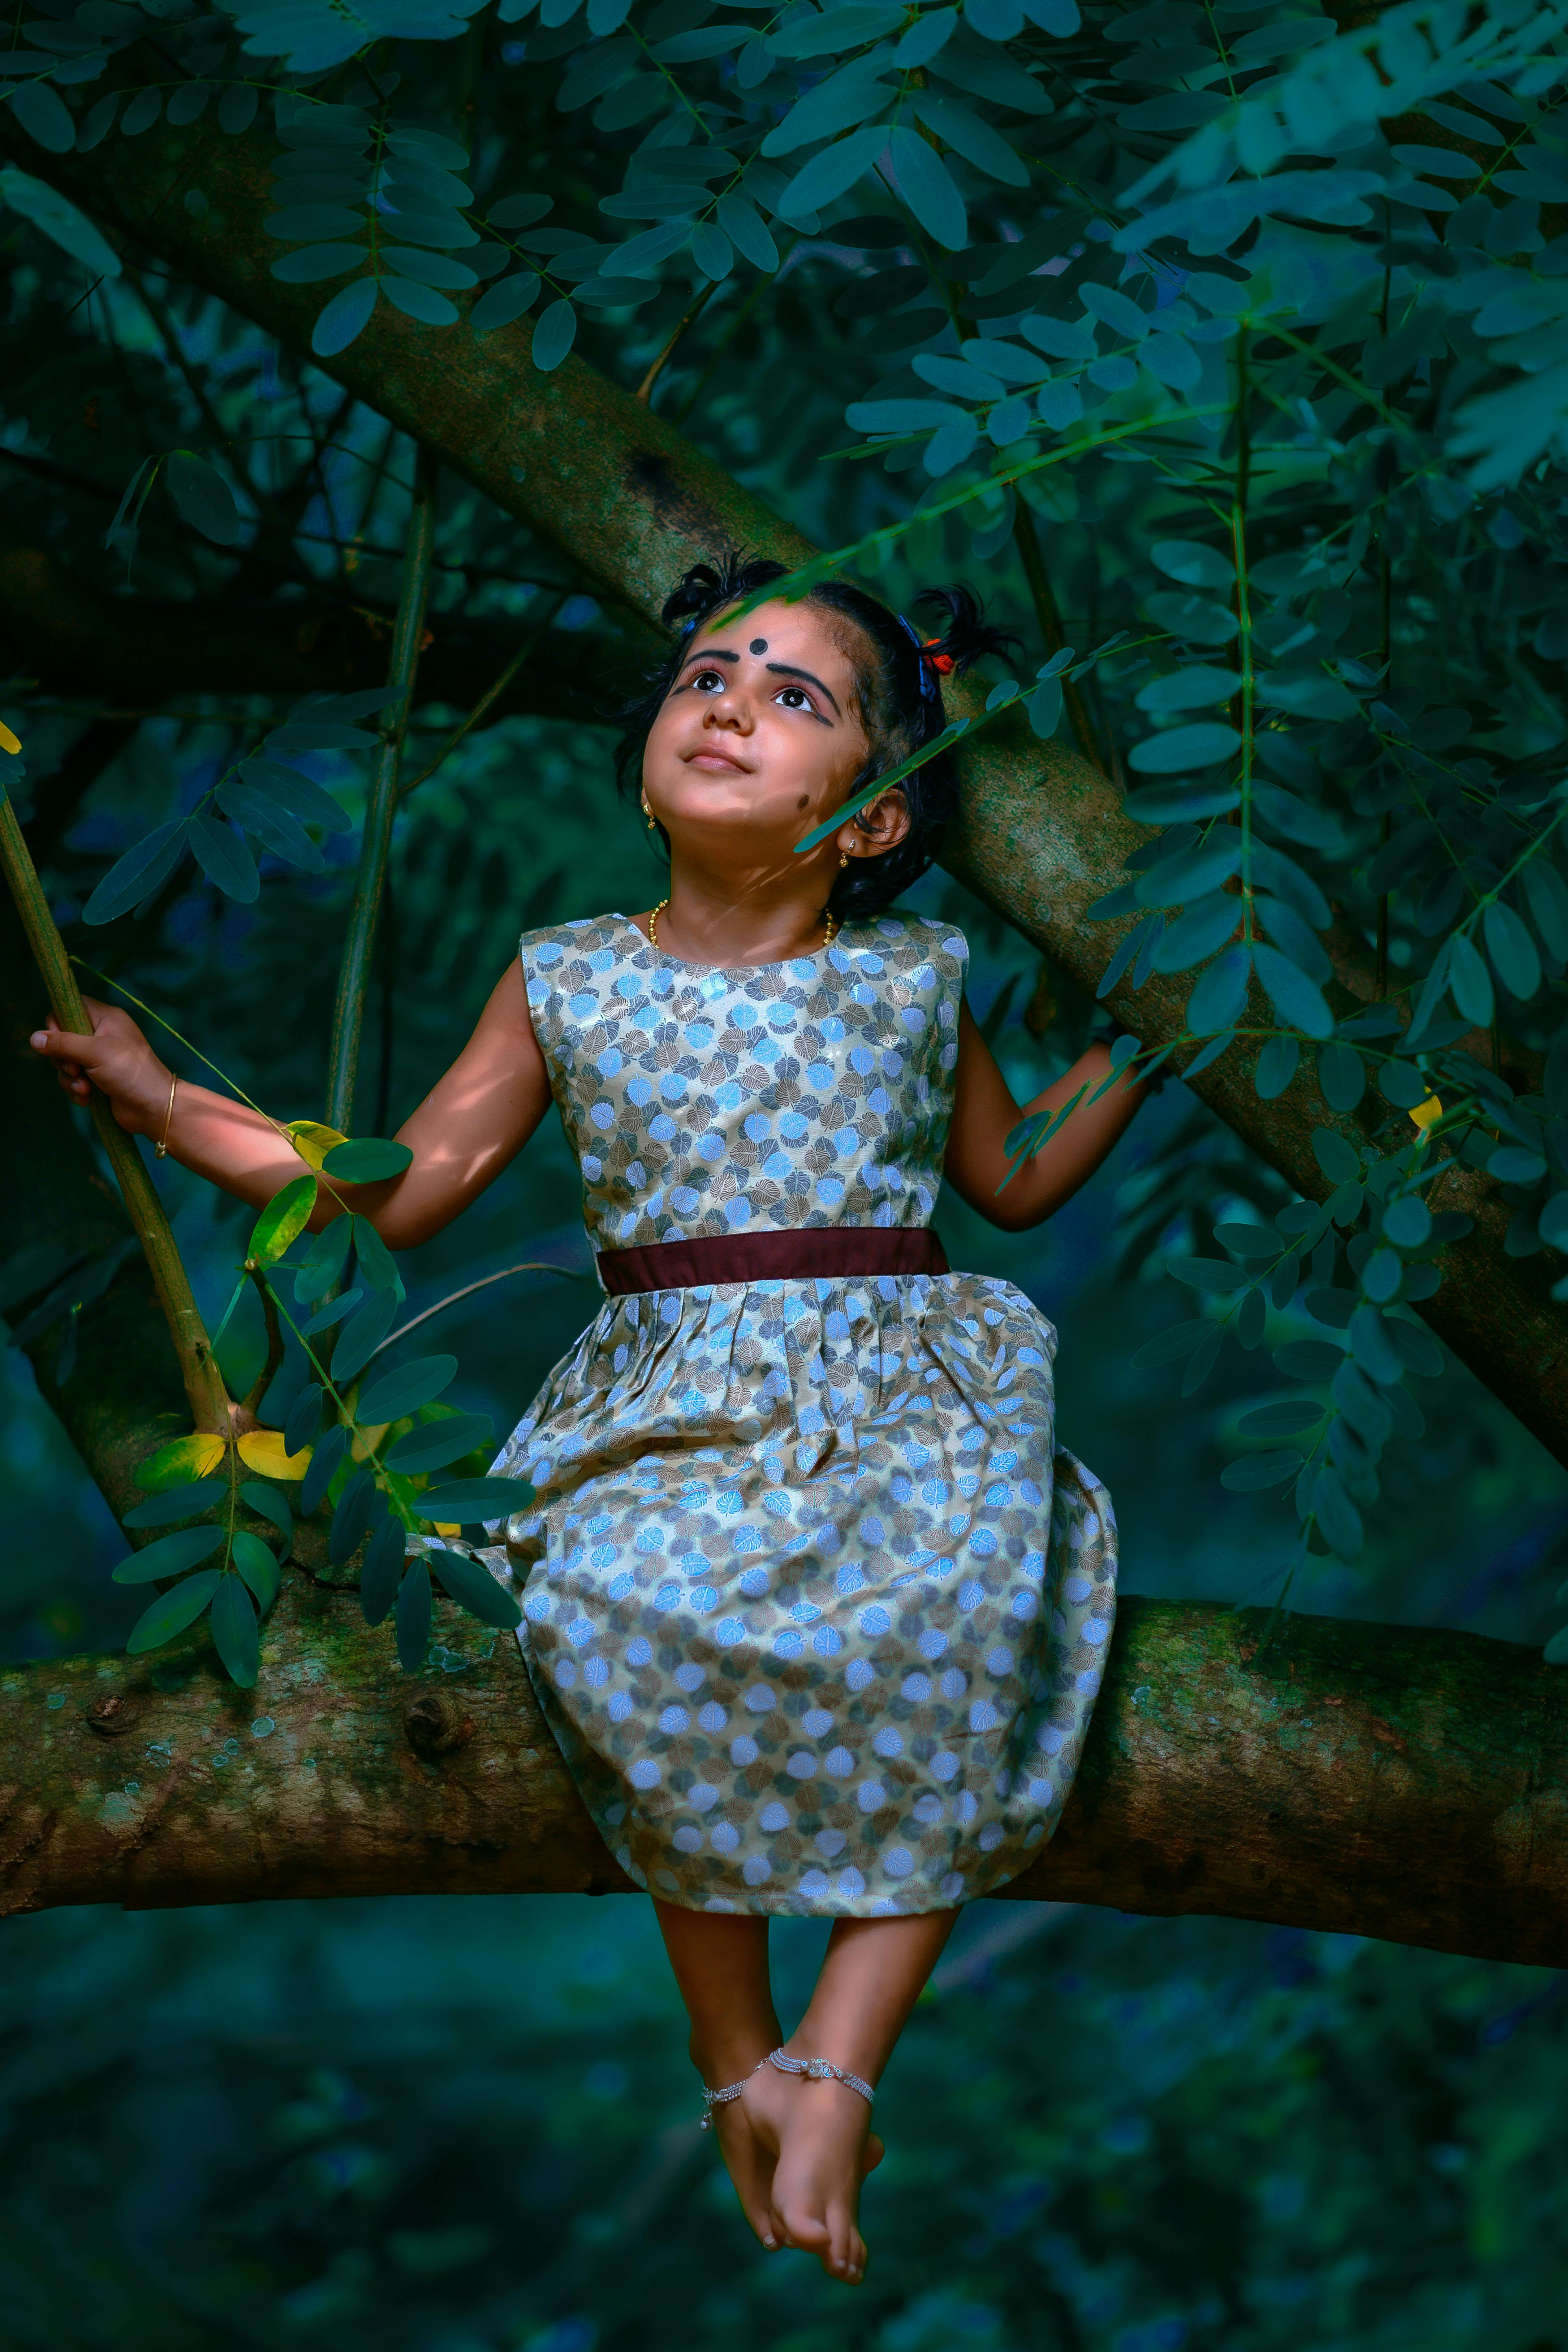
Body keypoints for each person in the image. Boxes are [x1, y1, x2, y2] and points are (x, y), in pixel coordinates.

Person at [33, 554, 1146, 2288]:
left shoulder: (918, 973)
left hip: (897, 1378)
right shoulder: (568, 976)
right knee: (619, 1617)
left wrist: (1169, 1026)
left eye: (801, 699)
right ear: (645, 759)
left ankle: (842, 2061)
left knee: (962, 1609)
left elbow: (1007, 1175)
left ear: (865, 820)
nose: (735, 705)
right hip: (669, 1396)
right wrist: (163, 1094)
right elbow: (401, 1188)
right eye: (712, 675)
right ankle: (734, 2061)